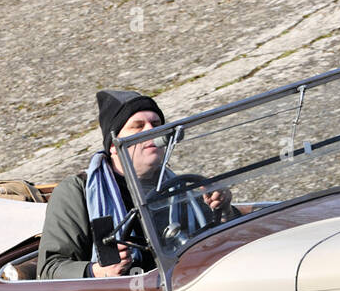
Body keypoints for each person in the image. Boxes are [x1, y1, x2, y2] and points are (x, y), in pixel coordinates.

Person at [38, 90, 241, 280]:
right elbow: (49, 269)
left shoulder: (178, 188)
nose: (151, 131)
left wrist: (223, 210)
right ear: (114, 145)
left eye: (156, 124)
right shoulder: (78, 191)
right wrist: (97, 271)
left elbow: (214, 242)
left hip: (183, 284)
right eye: (138, 126)